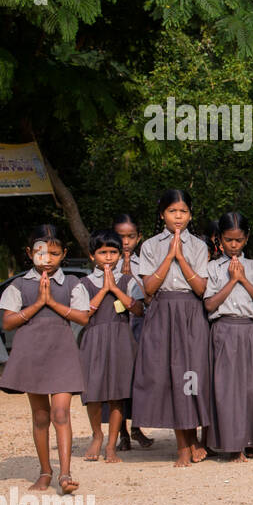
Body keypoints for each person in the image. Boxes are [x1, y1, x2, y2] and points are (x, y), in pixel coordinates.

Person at [0, 224, 91, 493]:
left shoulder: (72, 283)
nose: (47, 259)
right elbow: (8, 322)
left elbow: (83, 316)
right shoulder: (19, 285)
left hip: (61, 353)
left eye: (54, 253)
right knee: (40, 416)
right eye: (40, 253)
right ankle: (44, 472)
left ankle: (65, 473)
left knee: (60, 413)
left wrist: (52, 302)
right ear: (29, 253)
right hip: (31, 354)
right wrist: (38, 303)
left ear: (63, 254)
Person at [131, 189, 213, 467]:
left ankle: (192, 439)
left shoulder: (200, 246)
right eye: (172, 211)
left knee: (191, 376)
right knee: (168, 374)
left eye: (184, 212)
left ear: (191, 214)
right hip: (163, 313)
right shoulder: (151, 246)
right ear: (162, 214)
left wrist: (182, 258)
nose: (178, 217)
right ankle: (182, 446)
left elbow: (202, 289)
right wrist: (170, 256)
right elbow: (150, 289)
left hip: (191, 312)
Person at [203, 212, 253, 462]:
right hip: (224, 330)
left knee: (252, 387)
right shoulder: (212, 268)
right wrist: (231, 280)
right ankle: (232, 443)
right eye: (228, 240)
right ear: (220, 240)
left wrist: (243, 279)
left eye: (238, 240)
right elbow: (209, 304)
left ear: (246, 239)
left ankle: (251, 440)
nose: (233, 245)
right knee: (228, 388)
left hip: (249, 331)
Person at [79, 229, 145, 464]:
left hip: (120, 338)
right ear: (92, 256)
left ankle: (111, 444)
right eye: (102, 252)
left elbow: (138, 309)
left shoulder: (128, 281)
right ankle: (97, 434)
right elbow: (83, 315)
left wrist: (115, 288)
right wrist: (104, 290)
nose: (108, 257)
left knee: (118, 393)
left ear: (119, 254)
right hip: (94, 339)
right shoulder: (84, 283)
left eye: (113, 252)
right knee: (93, 392)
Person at [112, 212, 153, 450]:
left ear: (139, 238)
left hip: (139, 326)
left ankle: (137, 426)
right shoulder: (106, 262)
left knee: (138, 378)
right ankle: (122, 433)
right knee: (118, 380)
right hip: (116, 325)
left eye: (130, 237)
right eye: (120, 237)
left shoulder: (144, 263)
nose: (125, 242)